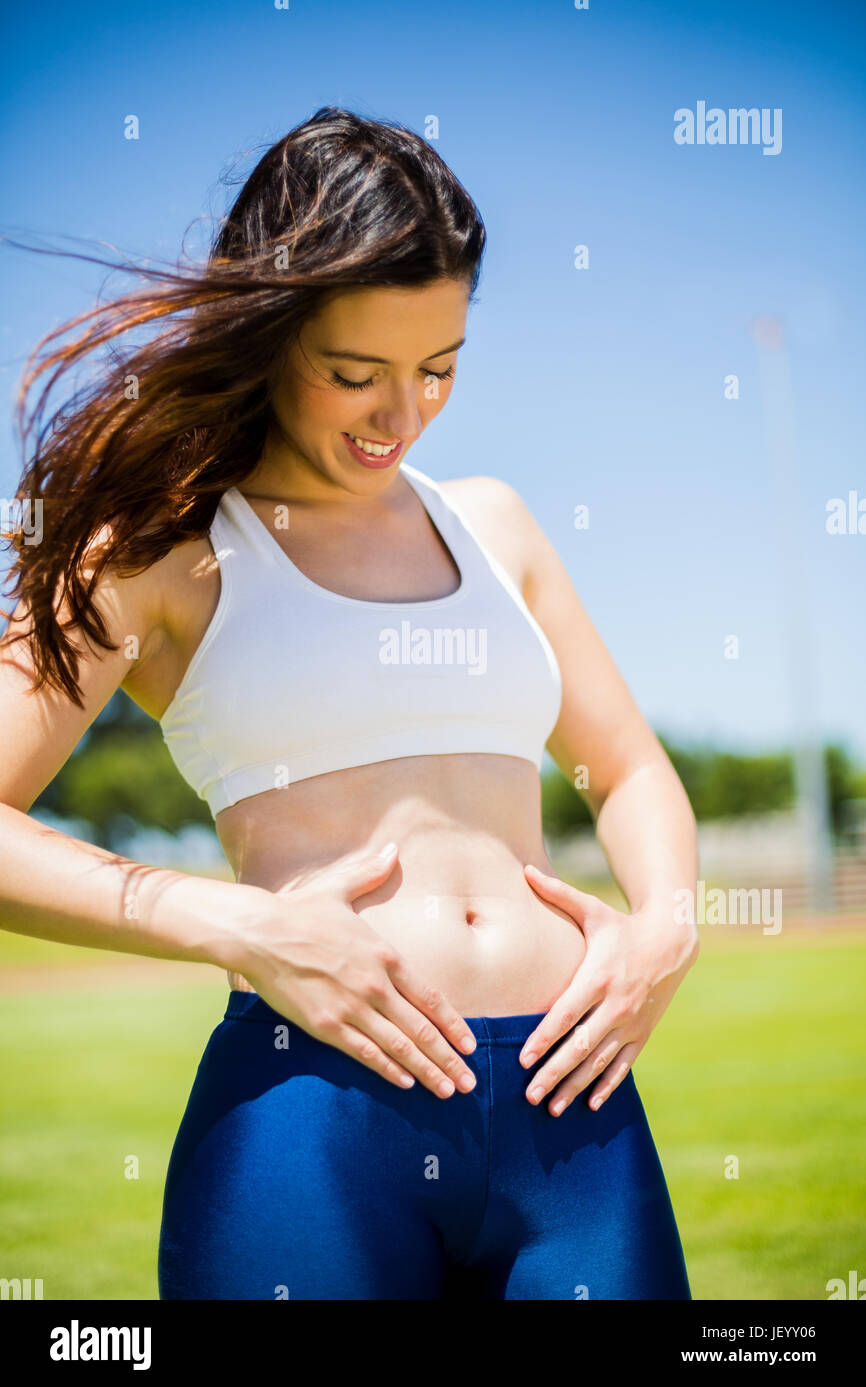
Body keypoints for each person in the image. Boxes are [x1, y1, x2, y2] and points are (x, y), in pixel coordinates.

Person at [0, 106, 699, 1300]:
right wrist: (233, 923)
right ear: (267, 332)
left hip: (571, 1107)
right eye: (354, 374)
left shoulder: (495, 525)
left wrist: (664, 927)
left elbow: (627, 768)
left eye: (438, 369)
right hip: (312, 1112)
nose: (402, 415)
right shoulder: (163, 549)